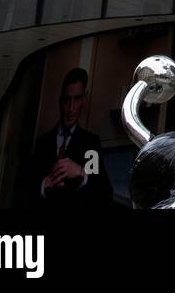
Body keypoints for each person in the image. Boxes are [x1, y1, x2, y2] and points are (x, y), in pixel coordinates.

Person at [20, 67, 111, 208]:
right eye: (67, 101)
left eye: (77, 99)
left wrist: (81, 172)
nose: (71, 109)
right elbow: (24, 193)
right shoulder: (42, 143)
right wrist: (44, 185)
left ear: (83, 100)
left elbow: (103, 194)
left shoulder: (90, 144)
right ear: (60, 102)